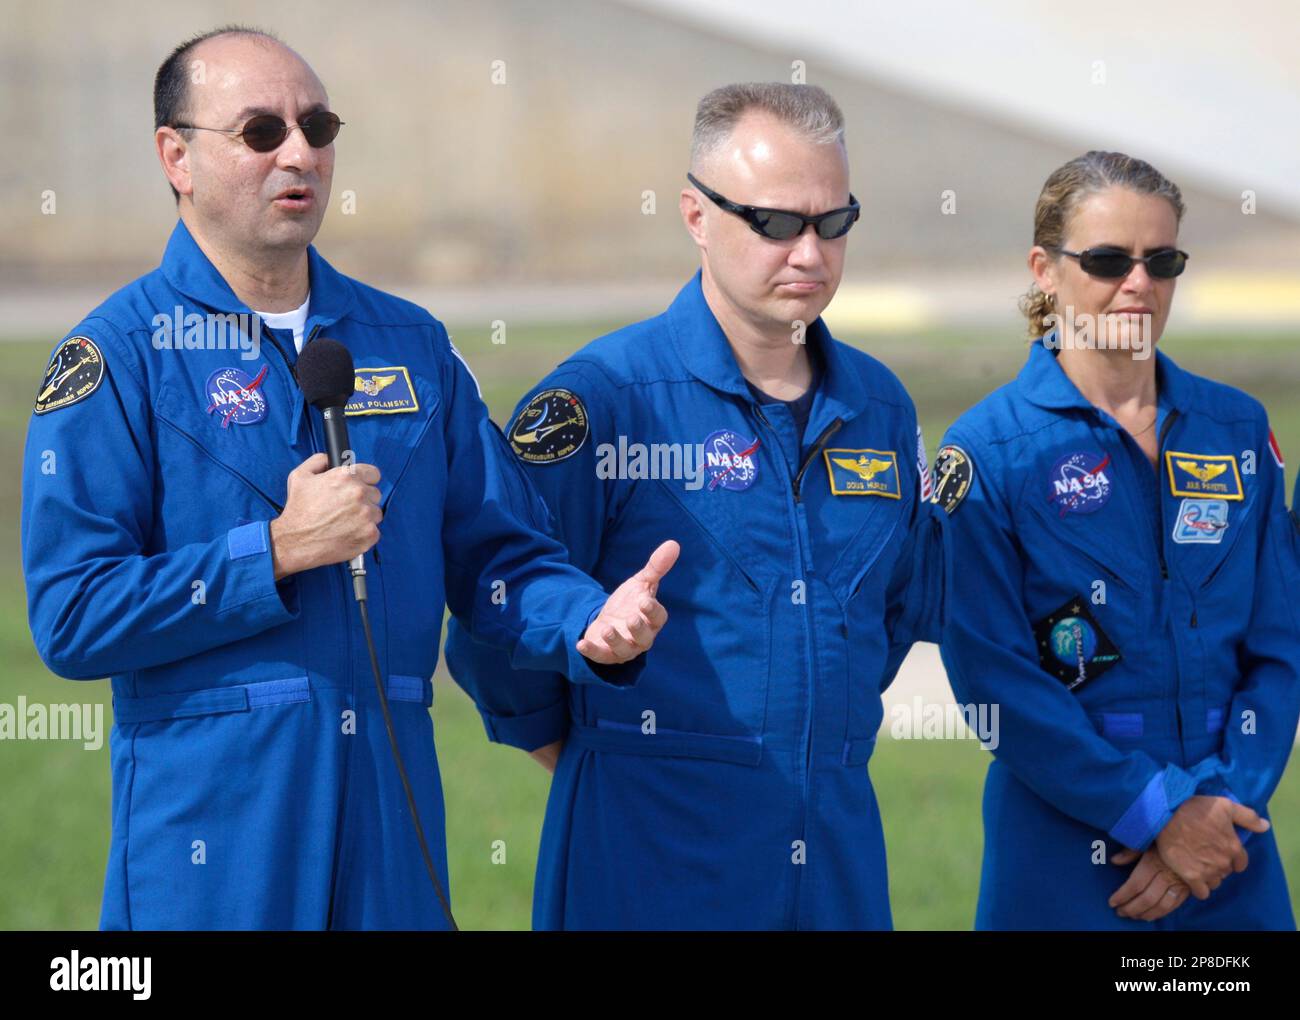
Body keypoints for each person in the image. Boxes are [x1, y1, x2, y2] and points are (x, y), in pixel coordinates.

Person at [20, 25, 677, 931]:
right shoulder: (116, 357)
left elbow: (501, 557)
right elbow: (73, 615)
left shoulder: (410, 343)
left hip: (391, 827)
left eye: (318, 126)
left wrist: (586, 620)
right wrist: (276, 553)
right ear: (176, 156)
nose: (299, 153)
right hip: (213, 841)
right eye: (260, 132)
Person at [446, 82, 942, 930]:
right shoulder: (603, 401)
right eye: (777, 223)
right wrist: (605, 755)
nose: (811, 252)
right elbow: (497, 606)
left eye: (834, 221)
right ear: (695, 215)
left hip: (834, 855)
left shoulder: (881, 406)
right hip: (649, 852)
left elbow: (889, 615)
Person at [934, 150, 1299, 930]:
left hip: (1231, 849)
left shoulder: (1236, 430)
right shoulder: (987, 454)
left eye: (1161, 260)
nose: (1138, 284)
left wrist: (1222, 805)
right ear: (1045, 270)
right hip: (1068, 852)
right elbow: (994, 681)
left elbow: (1280, 647)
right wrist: (1152, 813)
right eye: (1106, 260)